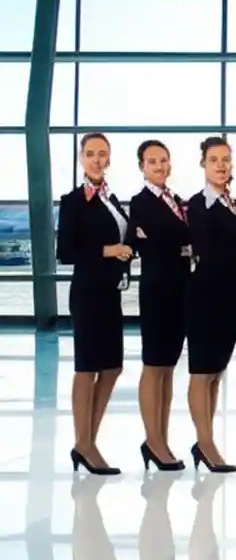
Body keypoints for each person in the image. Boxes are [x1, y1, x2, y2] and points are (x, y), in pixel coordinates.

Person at [59, 133, 132, 475]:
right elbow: (66, 252)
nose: (97, 160)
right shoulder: (73, 201)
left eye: (103, 154)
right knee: (86, 368)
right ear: (80, 158)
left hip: (109, 293)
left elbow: (124, 238)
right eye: (91, 154)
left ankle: (86, 440)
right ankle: (85, 443)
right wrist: (108, 250)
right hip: (87, 292)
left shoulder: (112, 199)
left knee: (112, 367)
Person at [185, 136, 236, 472]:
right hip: (207, 296)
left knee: (215, 373)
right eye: (214, 160)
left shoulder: (233, 203)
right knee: (201, 371)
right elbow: (209, 251)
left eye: (226, 160)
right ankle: (205, 442)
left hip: (231, 296)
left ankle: (205, 439)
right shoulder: (198, 205)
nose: (222, 166)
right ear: (204, 165)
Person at [126, 139, 190, 472]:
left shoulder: (177, 201)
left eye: (164, 160)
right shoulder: (140, 203)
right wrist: (176, 242)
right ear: (142, 167)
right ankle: (152, 440)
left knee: (167, 367)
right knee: (154, 365)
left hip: (179, 289)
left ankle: (160, 439)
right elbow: (151, 239)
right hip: (156, 290)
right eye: (152, 162)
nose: (160, 166)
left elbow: (179, 240)